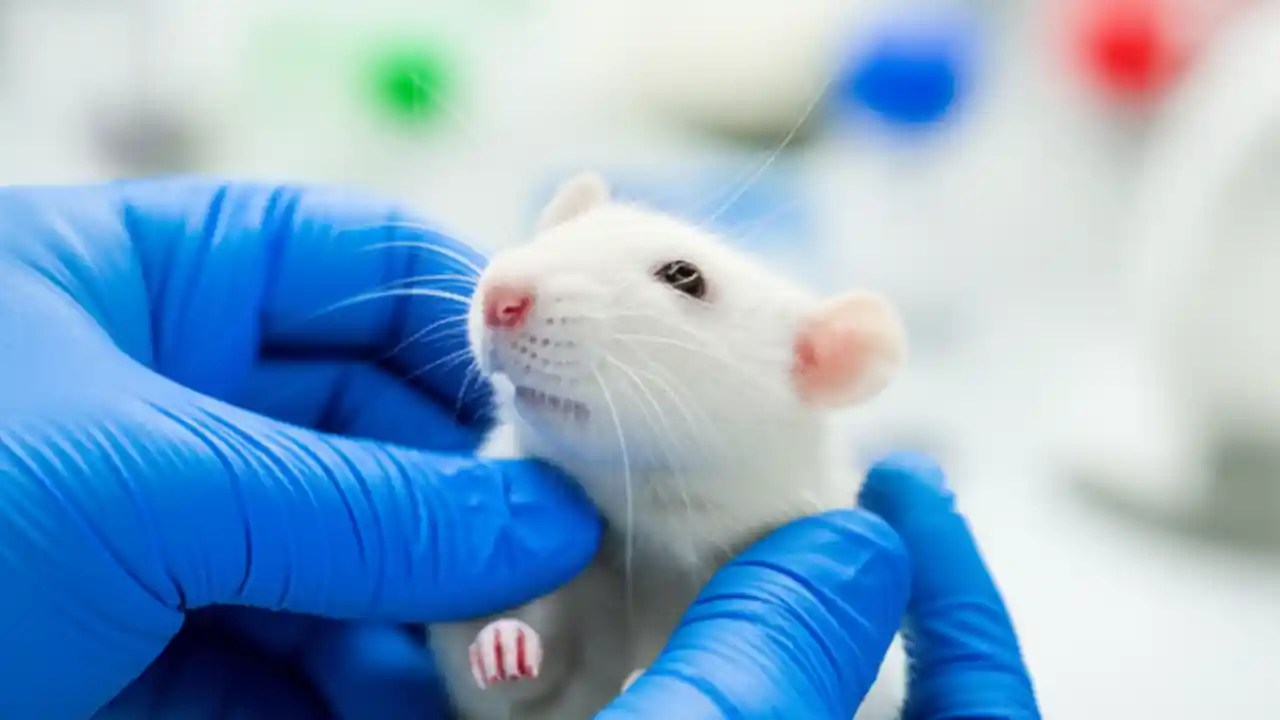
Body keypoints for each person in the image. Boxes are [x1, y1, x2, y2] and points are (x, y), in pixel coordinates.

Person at [0, 178, 1040, 719]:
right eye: (550, 241)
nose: (514, 286)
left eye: (681, 280)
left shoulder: (826, 548)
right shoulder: (511, 484)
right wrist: (501, 650)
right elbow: (499, 691)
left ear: (820, 362)